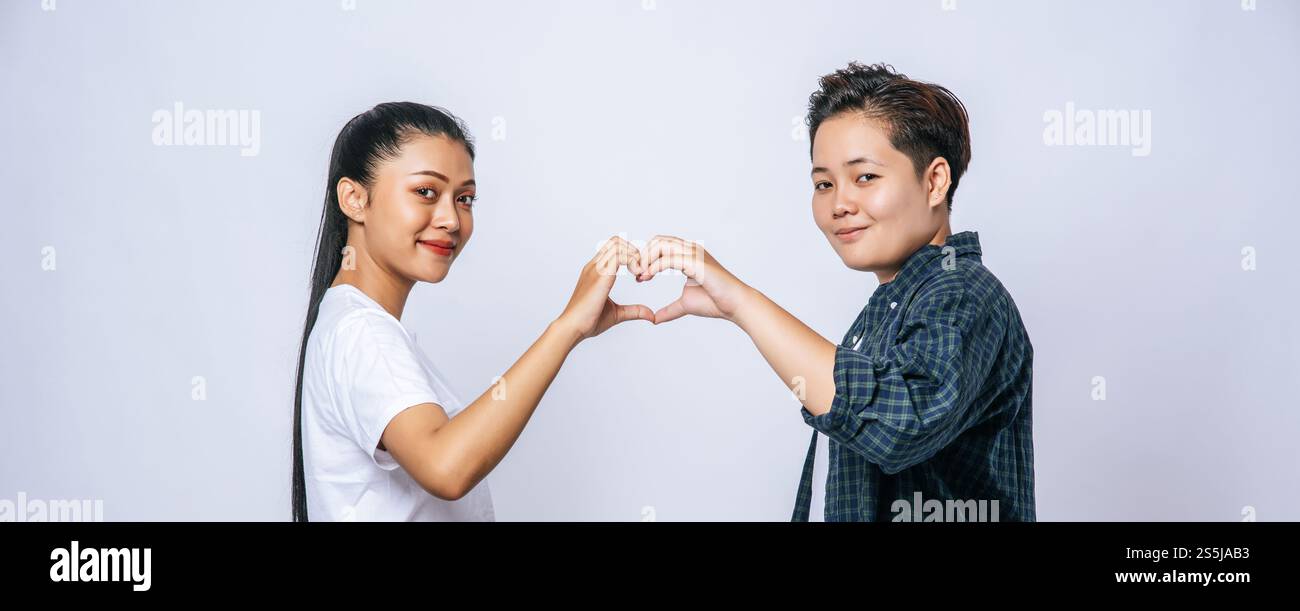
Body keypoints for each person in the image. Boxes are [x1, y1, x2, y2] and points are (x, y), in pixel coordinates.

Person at [637, 63, 1035, 521]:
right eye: (824, 184)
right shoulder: (886, 311)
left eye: (864, 177)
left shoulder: (963, 291)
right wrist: (735, 309)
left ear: (934, 181)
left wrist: (742, 301)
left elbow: (899, 425)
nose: (839, 204)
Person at [290, 102, 652, 521]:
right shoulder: (361, 332)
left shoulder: (353, 325)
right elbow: (446, 467)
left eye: (465, 199)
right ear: (354, 199)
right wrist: (568, 327)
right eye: (426, 191)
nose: (451, 219)